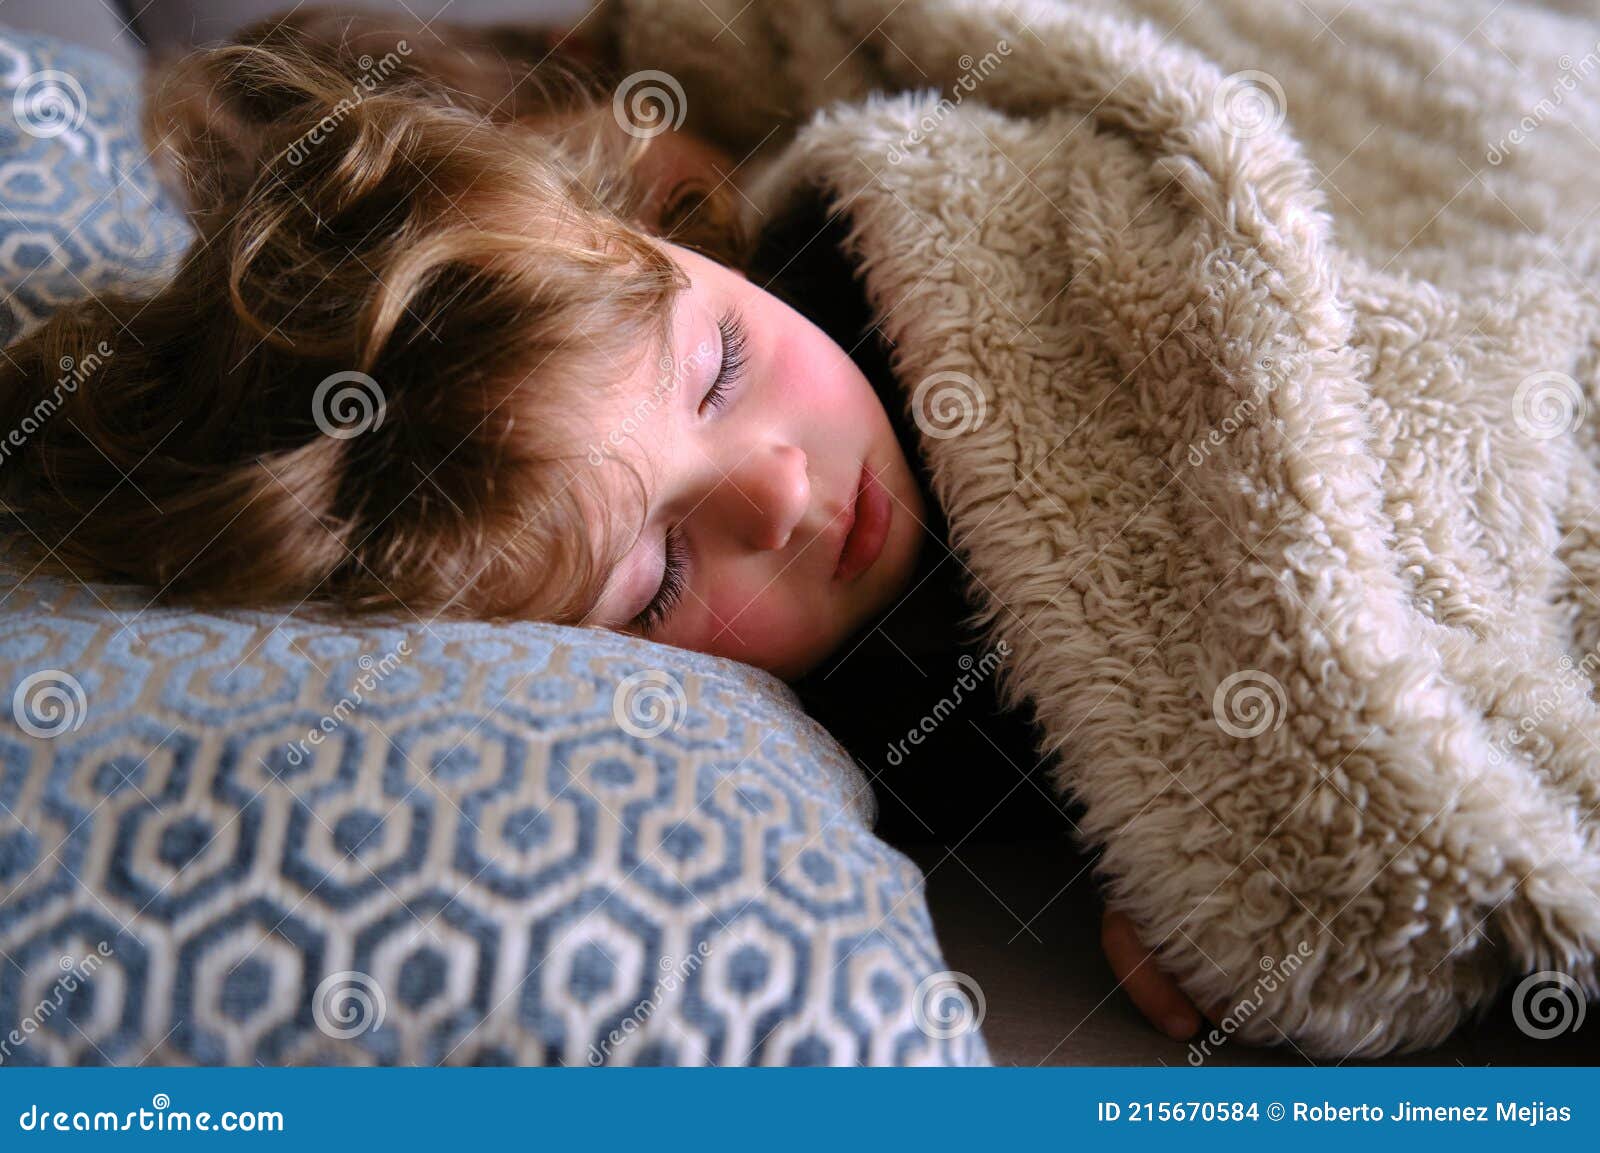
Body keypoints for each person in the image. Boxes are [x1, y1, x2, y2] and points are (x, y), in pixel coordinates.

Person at [0, 10, 1217, 1044]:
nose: (784, 496)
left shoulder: (863, 261)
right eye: (662, 572)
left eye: (723, 367)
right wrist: (1185, 848)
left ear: (674, 235)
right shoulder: (873, 743)